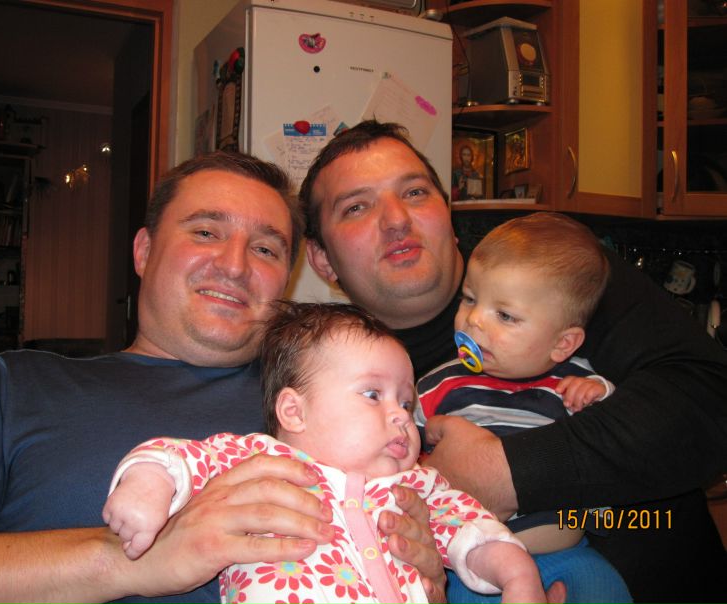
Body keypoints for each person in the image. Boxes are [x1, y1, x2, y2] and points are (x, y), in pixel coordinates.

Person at [0, 151, 447, 603]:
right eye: (205, 232)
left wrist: (428, 577)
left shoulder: (357, 401)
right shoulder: (12, 388)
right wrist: (126, 560)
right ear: (144, 251)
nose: (235, 265)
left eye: (265, 249)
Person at [298, 120, 727, 603]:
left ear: (448, 215)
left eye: (415, 192)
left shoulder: (551, 268)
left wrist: (507, 471)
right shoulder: (323, 371)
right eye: (356, 207)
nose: (396, 219)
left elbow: (710, 396)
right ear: (322, 259)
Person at [104, 301, 551, 604]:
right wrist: (147, 488)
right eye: (373, 394)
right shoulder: (258, 460)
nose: (401, 416)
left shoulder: (418, 485)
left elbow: (471, 530)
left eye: (406, 402)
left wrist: (516, 573)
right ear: (294, 412)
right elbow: (180, 457)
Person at [415, 213, 631, 602]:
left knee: (606, 589)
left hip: (565, 555)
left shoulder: (576, 386)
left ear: (563, 343)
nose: (474, 320)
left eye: (505, 315)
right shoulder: (436, 385)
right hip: (471, 568)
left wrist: (601, 392)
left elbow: (624, 440)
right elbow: (394, 448)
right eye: (470, 298)